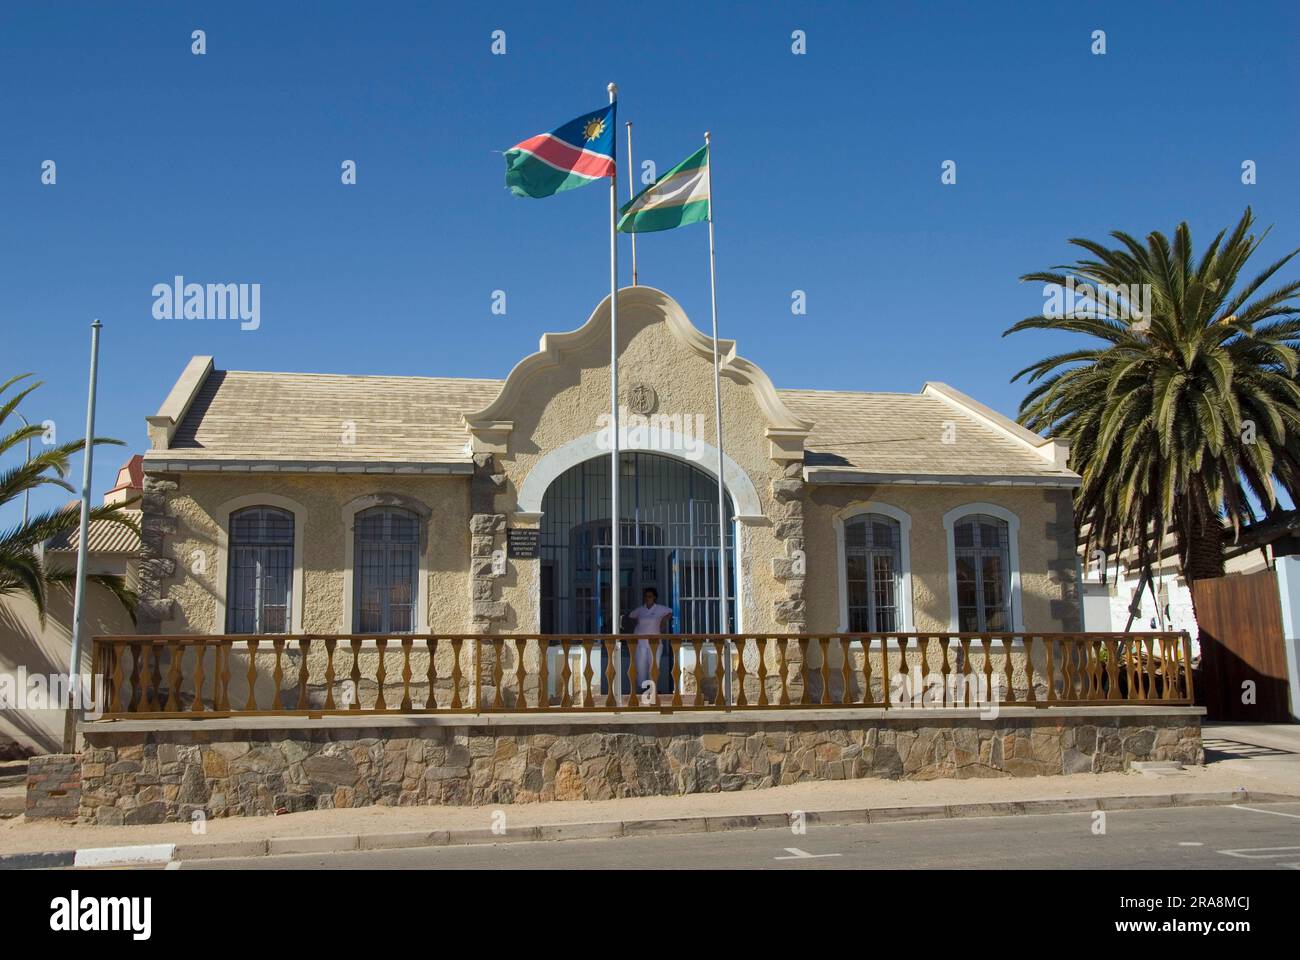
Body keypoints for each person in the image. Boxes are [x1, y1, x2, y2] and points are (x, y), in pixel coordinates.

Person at [625, 588, 672, 702]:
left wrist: (663, 623)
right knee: (641, 666)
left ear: (654, 597)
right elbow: (630, 616)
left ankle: (652, 690)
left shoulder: (660, 609)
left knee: (654, 666)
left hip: (655, 642)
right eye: (646, 596)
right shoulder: (640, 610)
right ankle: (643, 690)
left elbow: (670, 612)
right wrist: (636, 626)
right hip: (640, 642)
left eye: (650, 596)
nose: (647, 598)